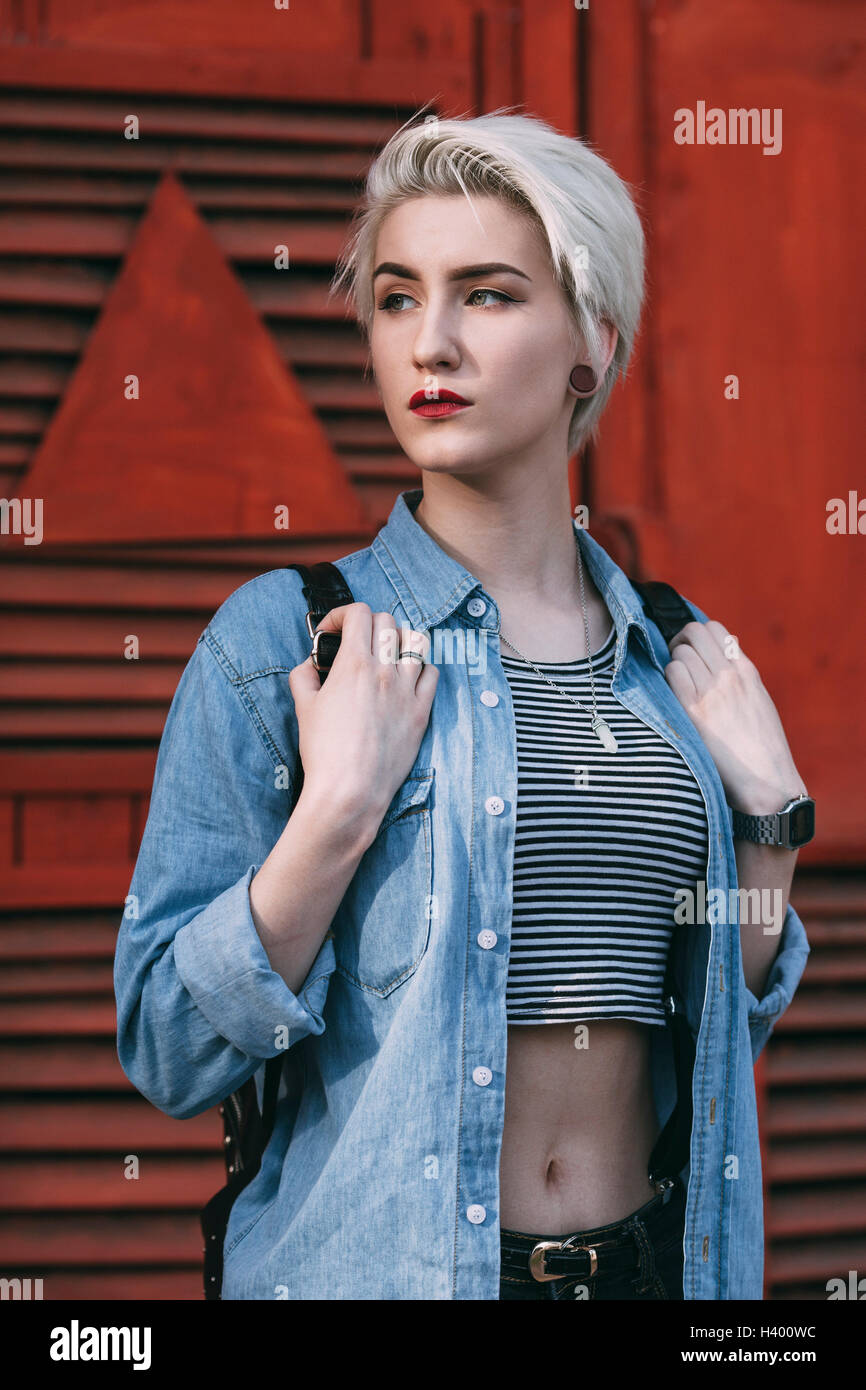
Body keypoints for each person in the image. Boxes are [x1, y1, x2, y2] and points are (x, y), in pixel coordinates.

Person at [114, 110, 813, 1301]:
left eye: (485, 295)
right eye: (396, 298)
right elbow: (169, 1047)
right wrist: (334, 813)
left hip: (656, 1273)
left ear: (591, 339)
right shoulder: (288, 641)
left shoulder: (669, 657)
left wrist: (766, 829)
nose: (427, 342)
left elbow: (707, 1052)